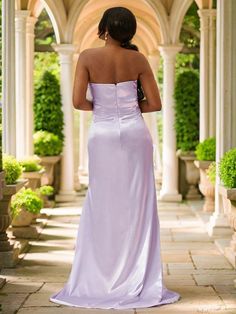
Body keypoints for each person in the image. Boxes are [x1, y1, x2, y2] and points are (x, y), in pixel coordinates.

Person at [49, 6, 181, 310]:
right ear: (130, 31)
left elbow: (79, 101)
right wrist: (128, 106)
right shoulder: (138, 59)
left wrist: (107, 109)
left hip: (102, 136)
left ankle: (100, 276)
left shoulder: (87, 57)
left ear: (104, 29)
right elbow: (155, 104)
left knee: (103, 203)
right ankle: (137, 277)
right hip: (136, 135)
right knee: (138, 205)